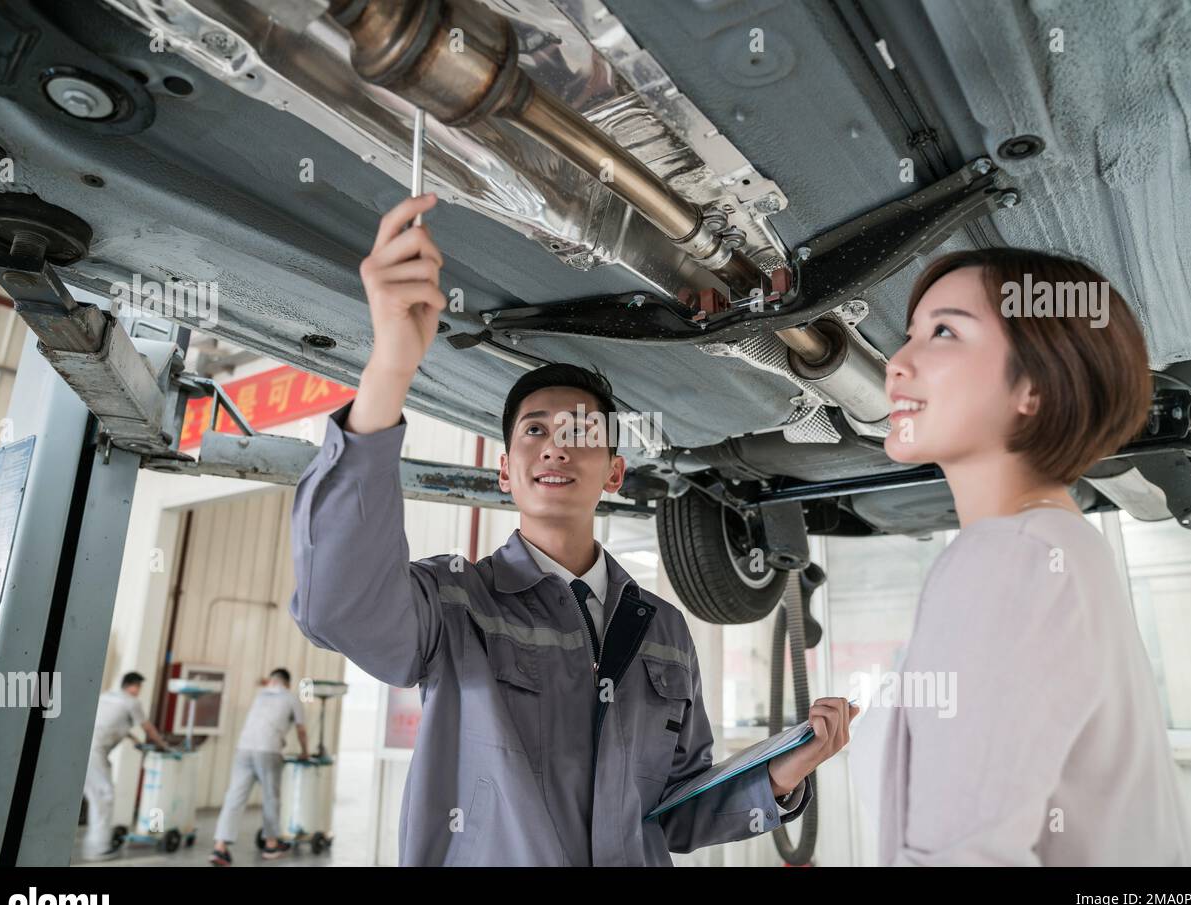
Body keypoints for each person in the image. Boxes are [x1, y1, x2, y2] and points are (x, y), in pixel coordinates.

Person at [289, 192, 857, 866]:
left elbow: (675, 812)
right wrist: (390, 368)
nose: (555, 447)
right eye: (535, 432)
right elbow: (338, 602)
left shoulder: (664, 634)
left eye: (579, 432)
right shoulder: (456, 605)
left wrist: (784, 772)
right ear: (506, 471)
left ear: (614, 472)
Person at [849, 247, 1191, 865]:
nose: (896, 363)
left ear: (1033, 387)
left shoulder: (1014, 557)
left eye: (945, 332)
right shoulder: (1054, 547)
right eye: (910, 336)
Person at [208, 668, 309, 866]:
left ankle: (220, 847)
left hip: (244, 748)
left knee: (234, 797)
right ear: (287, 683)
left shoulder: (260, 696)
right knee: (271, 797)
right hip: (268, 751)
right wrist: (305, 751)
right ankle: (271, 844)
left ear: (272, 681)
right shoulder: (291, 698)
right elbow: (301, 729)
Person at [81, 672, 167, 862]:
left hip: (83, 746)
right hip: (94, 752)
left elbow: (110, 724)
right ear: (133, 686)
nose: (139, 691)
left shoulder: (108, 697)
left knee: (98, 795)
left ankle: (98, 843)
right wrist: (164, 746)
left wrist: (132, 739)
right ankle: (98, 849)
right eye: (139, 687)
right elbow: (148, 728)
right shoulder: (131, 702)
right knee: (103, 797)